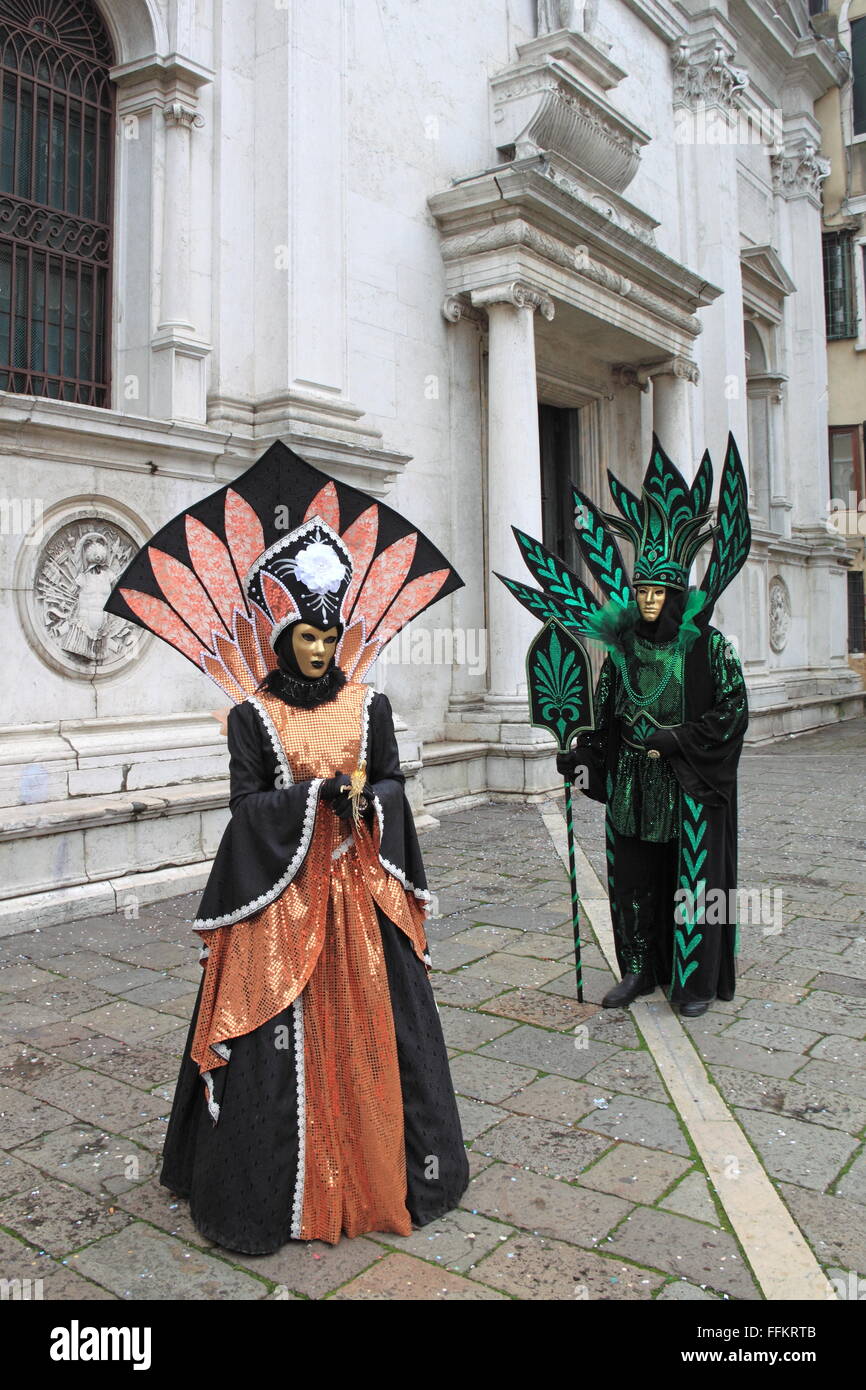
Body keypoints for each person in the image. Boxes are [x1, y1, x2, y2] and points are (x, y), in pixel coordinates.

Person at [498, 432, 751, 1019]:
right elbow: (604, 722)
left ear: (678, 591)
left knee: (691, 885)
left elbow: (733, 712)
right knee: (634, 883)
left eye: (658, 591)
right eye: (641, 591)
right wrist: (580, 756)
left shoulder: (709, 648)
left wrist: (678, 740)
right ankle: (637, 970)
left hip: (688, 786)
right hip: (635, 790)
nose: (648, 601)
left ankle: (692, 981)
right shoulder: (620, 653)